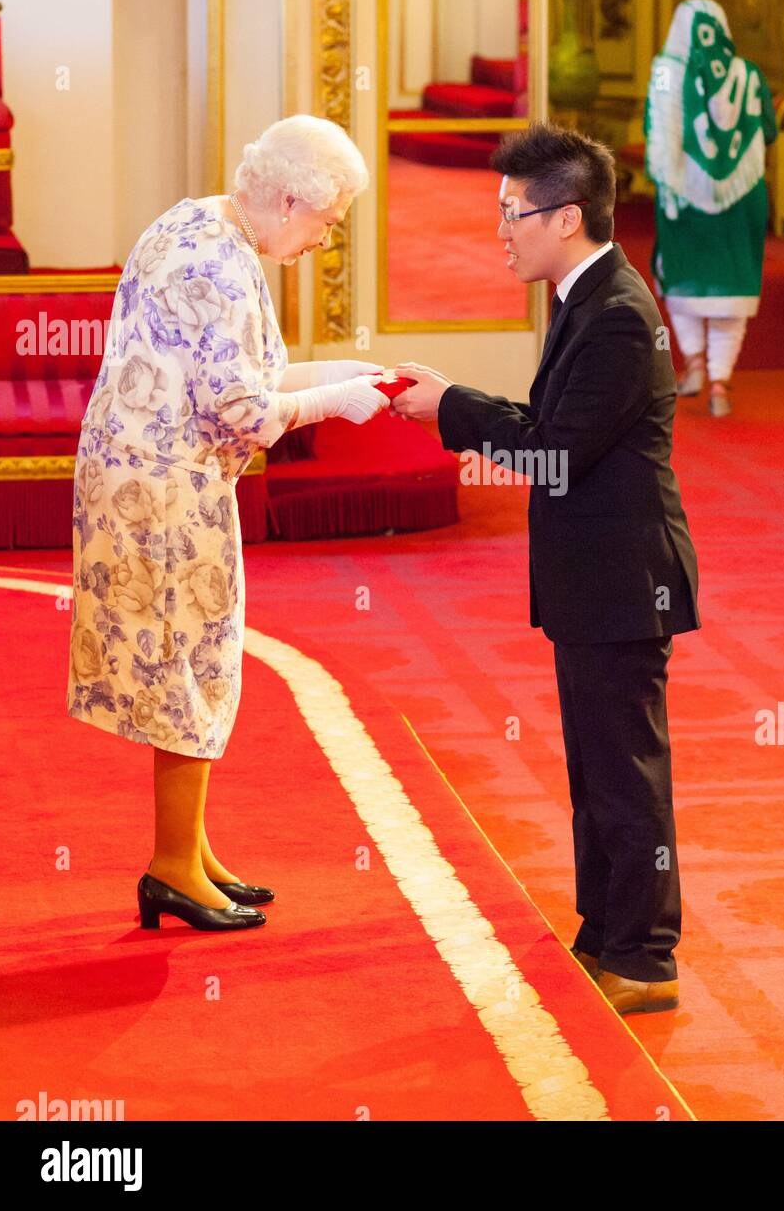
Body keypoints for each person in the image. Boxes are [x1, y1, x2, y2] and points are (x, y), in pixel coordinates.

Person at [391, 122, 701, 1016]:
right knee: (596, 770)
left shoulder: (614, 314)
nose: (500, 229)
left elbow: (553, 453)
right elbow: (546, 421)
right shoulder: (585, 292)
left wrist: (448, 407)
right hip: (594, 577)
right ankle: (603, 934)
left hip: (624, 579)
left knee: (625, 774)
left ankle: (644, 958)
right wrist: (455, 396)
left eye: (511, 213)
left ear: (564, 217)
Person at [66, 115, 390, 932]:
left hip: (146, 474)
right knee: (188, 665)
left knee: (192, 657)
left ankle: (191, 850)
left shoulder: (200, 218)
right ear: (289, 199)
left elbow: (247, 371)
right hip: (162, 491)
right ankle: (172, 869)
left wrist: (338, 371)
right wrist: (336, 402)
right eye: (328, 219)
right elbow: (245, 409)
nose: (326, 239)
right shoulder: (221, 261)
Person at [643, 0, 778, 417]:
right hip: (744, 196)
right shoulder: (749, 73)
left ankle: (695, 364)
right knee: (732, 286)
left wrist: (671, 184)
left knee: (682, 279)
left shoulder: (667, 72)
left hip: (684, 197)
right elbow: (770, 131)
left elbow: (657, 136)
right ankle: (720, 382)